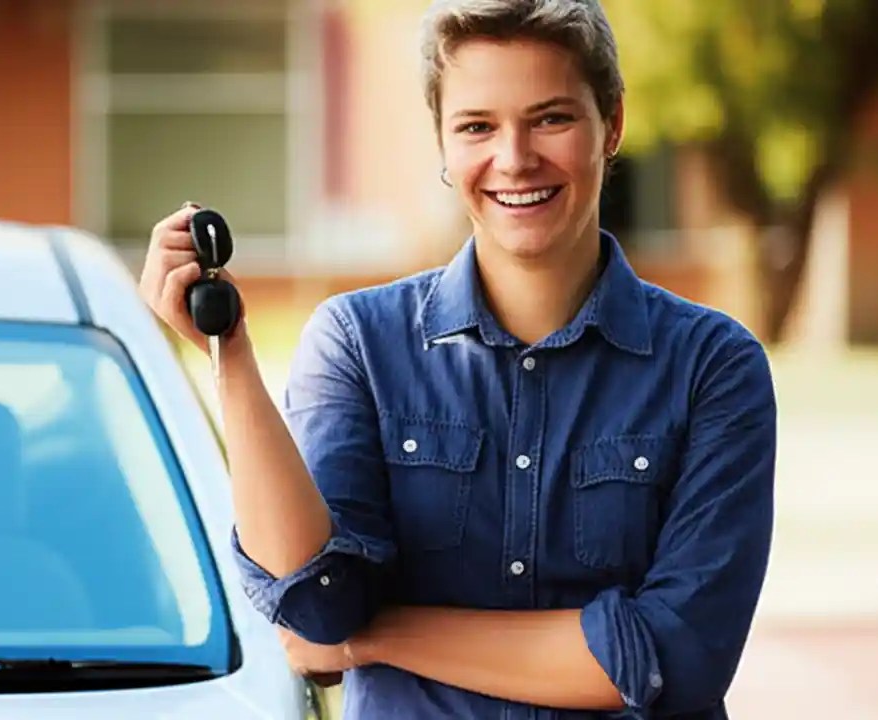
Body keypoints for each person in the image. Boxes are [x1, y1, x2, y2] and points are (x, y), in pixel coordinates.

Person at [138, 0, 777, 718]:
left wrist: (377, 638)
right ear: (442, 143)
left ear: (613, 124)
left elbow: (673, 659)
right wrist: (232, 360)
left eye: (551, 118)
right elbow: (317, 605)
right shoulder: (358, 344)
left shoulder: (713, 366)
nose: (514, 158)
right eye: (477, 126)